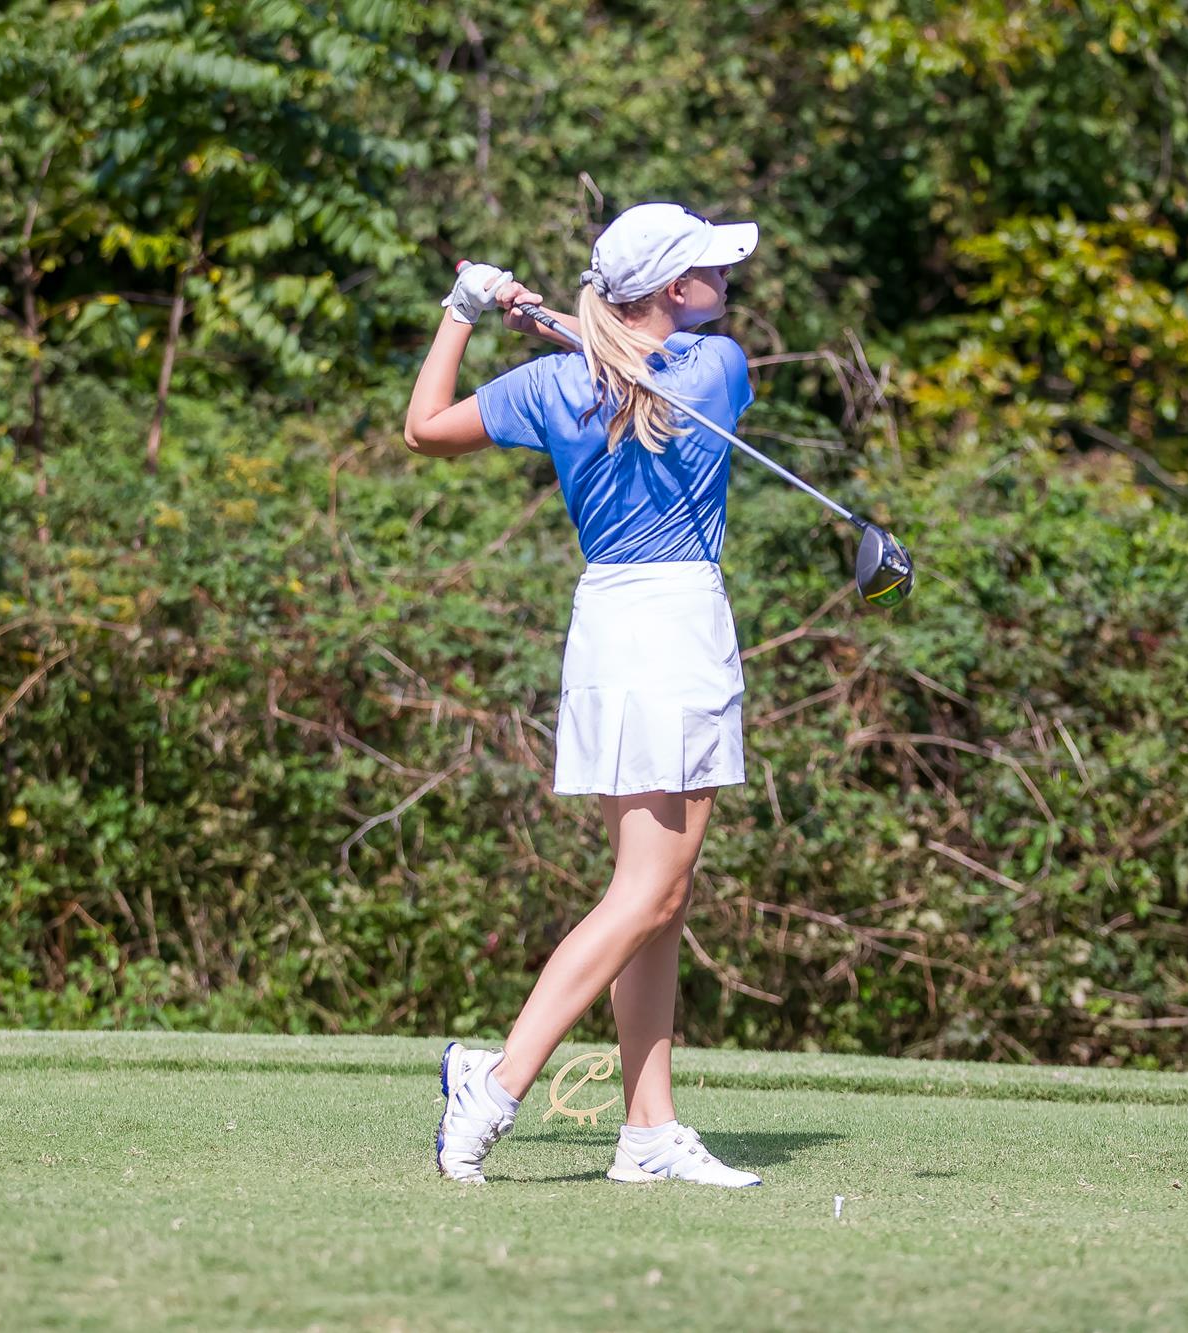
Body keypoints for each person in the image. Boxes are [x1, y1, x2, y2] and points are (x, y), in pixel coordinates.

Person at [402, 202, 763, 1188]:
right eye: (708, 267)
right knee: (645, 893)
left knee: (662, 901)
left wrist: (465, 309)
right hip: (674, 629)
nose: (725, 278)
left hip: (608, 625)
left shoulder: (550, 383)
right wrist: (556, 325)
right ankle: (494, 1081)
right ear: (671, 291)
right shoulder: (717, 368)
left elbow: (425, 427)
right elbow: (636, 365)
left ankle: (648, 1131)